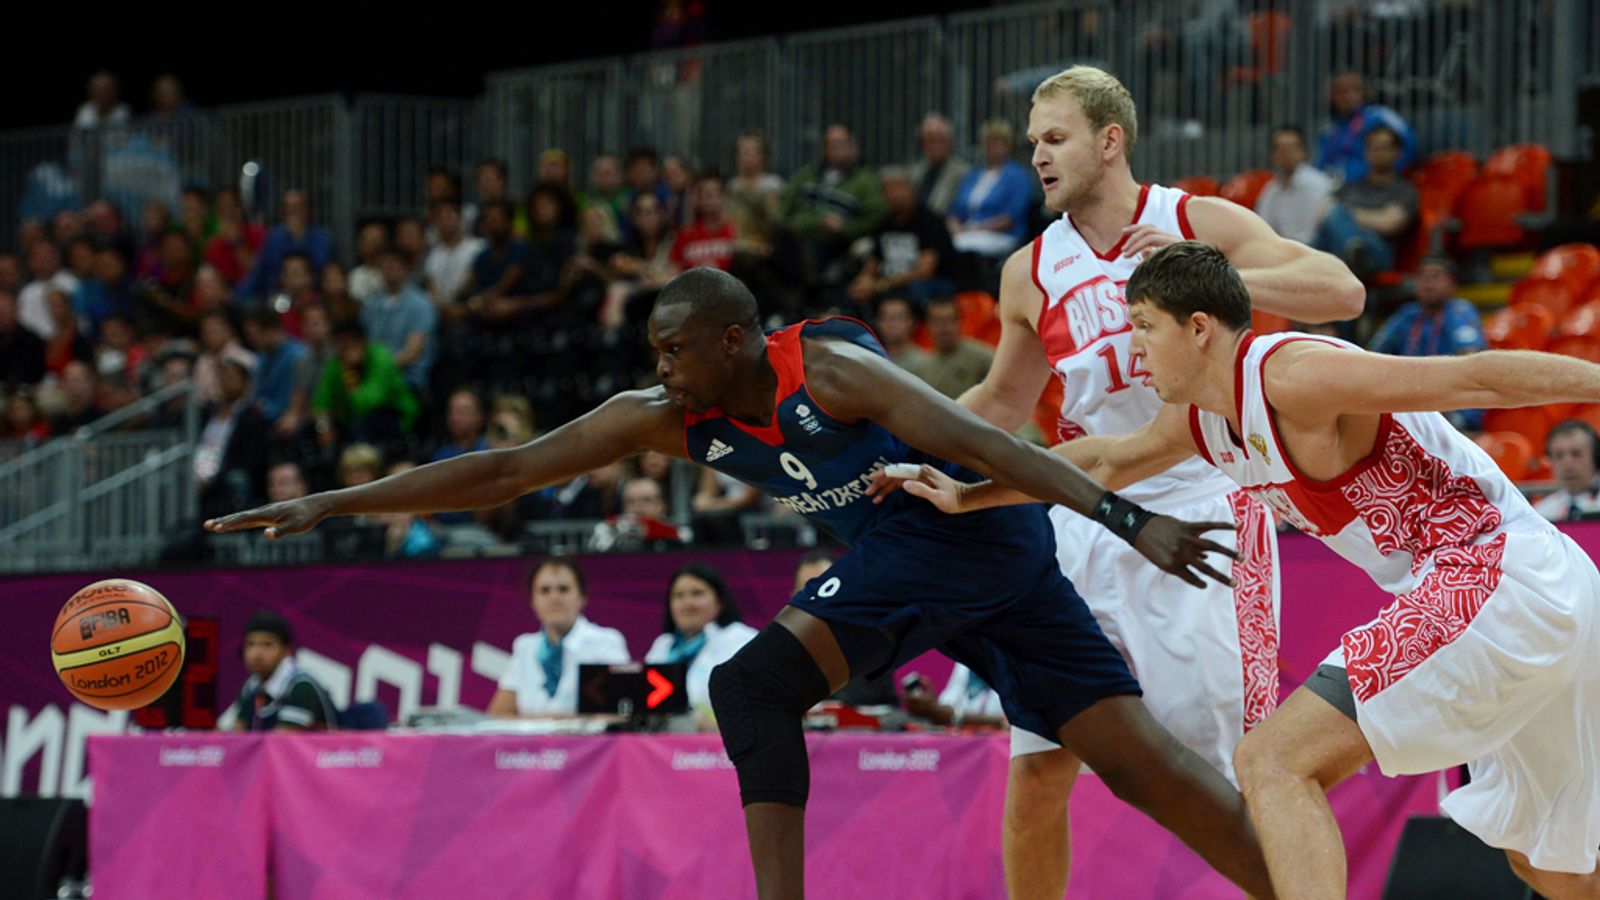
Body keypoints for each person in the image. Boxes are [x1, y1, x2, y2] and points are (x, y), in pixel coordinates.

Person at [208, 266, 1273, 900]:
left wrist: (1128, 519)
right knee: (1143, 768)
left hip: (963, 539)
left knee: (749, 687)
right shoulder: (671, 416)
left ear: (733, 339)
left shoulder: (836, 371)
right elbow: (507, 469)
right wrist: (332, 505)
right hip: (950, 570)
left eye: (676, 349)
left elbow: (981, 444)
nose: (662, 366)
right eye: (655, 351)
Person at [887, 240, 1600, 900]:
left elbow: (1471, 376)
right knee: (1551, 862)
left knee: (1274, 761)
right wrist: (969, 495)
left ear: (1200, 328)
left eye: (1143, 327)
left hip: (1494, 569)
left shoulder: (1295, 374)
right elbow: (1101, 462)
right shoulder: (1199, 418)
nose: (1131, 350)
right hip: (1539, 588)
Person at [954, 64, 1363, 899]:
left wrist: (1213, 274)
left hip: (1201, 511)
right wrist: (897, 436)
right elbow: (1002, 399)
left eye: (1054, 138)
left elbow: (1341, 291)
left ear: (1110, 142)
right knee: (1037, 773)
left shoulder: (1194, 220)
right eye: (1033, 142)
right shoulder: (1031, 270)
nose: (1037, 155)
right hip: (1079, 519)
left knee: (1238, 773)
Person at [484, 559, 631, 717]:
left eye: (563, 589)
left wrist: (547, 723)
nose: (554, 597)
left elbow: (618, 714)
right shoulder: (525, 646)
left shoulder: (606, 642)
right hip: (531, 742)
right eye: (544, 590)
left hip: (585, 742)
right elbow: (498, 714)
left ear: (582, 597)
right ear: (532, 601)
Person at [1368, 256, 1486, 429]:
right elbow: (1372, 353)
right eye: (1422, 276)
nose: (1428, 283)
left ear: (1452, 283)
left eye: (1436, 276)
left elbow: (1470, 360)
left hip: (1454, 407)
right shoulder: (1407, 314)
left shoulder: (1460, 311)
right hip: (1413, 403)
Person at [644, 563, 760, 720]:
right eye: (678, 596)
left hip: (722, 739)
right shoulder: (663, 645)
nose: (687, 604)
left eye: (697, 593)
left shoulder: (742, 639)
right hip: (662, 740)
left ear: (720, 600)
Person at [1313, 125, 1417, 278]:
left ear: (1398, 152)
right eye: (1373, 148)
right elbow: (1321, 216)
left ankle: (1350, 254)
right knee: (1322, 233)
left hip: (1379, 253)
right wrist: (1362, 218)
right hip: (1337, 247)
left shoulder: (1404, 190)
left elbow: (1389, 223)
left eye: (1384, 148)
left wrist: (1347, 215)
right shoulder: (1351, 187)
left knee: (1336, 216)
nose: (1378, 153)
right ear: (1365, 152)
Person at [223, 610, 338, 731]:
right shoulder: (249, 687)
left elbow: (280, 743)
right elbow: (237, 736)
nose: (257, 653)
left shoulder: (301, 687)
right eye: (251, 644)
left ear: (287, 650)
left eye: (267, 645)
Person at [947, 119, 1037, 259]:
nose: (992, 147)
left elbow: (1011, 217)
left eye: (998, 143)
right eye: (988, 143)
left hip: (1002, 235)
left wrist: (976, 229)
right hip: (967, 231)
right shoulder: (973, 174)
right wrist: (955, 228)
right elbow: (955, 210)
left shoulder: (1019, 176)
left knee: (962, 247)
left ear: (1009, 146)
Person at [1315, 72, 1417, 185]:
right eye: (1341, 92)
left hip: (1371, 187)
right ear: (1332, 96)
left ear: (1363, 93)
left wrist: (1386, 175)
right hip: (1333, 188)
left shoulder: (1379, 116)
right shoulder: (1329, 127)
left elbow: (1410, 143)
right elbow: (1320, 160)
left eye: (1354, 91)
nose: (1347, 97)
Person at [1254, 126, 1334, 246]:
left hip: (1316, 249)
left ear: (1303, 152)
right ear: (1273, 155)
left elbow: (1312, 234)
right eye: (1280, 149)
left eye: (1291, 148)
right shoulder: (1272, 188)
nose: (1286, 154)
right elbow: (1261, 226)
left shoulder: (1317, 183)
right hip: (1286, 248)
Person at [917, 295, 993, 399]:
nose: (944, 326)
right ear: (928, 325)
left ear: (960, 322)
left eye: (950, 320)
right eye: (937, 320)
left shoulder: (982, 357)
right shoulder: (922, 367)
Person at [1533, 420, 1600, 522]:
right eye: (1559, 456)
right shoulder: (1540, 514)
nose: (1567, 464)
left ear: (1595, 458)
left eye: (1576, 454)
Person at [902, 664, 1006, 729]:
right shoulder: (964, 663)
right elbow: (946, 705)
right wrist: (931, 709)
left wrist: (950, 715)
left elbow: (1008, 722)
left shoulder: (1012, 660)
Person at [908, 113, 971, 217]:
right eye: (930, 140)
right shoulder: (913, 172)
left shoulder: (964, 174)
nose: (936, 146)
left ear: (950, 143)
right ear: (922, 145)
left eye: (941, 140)